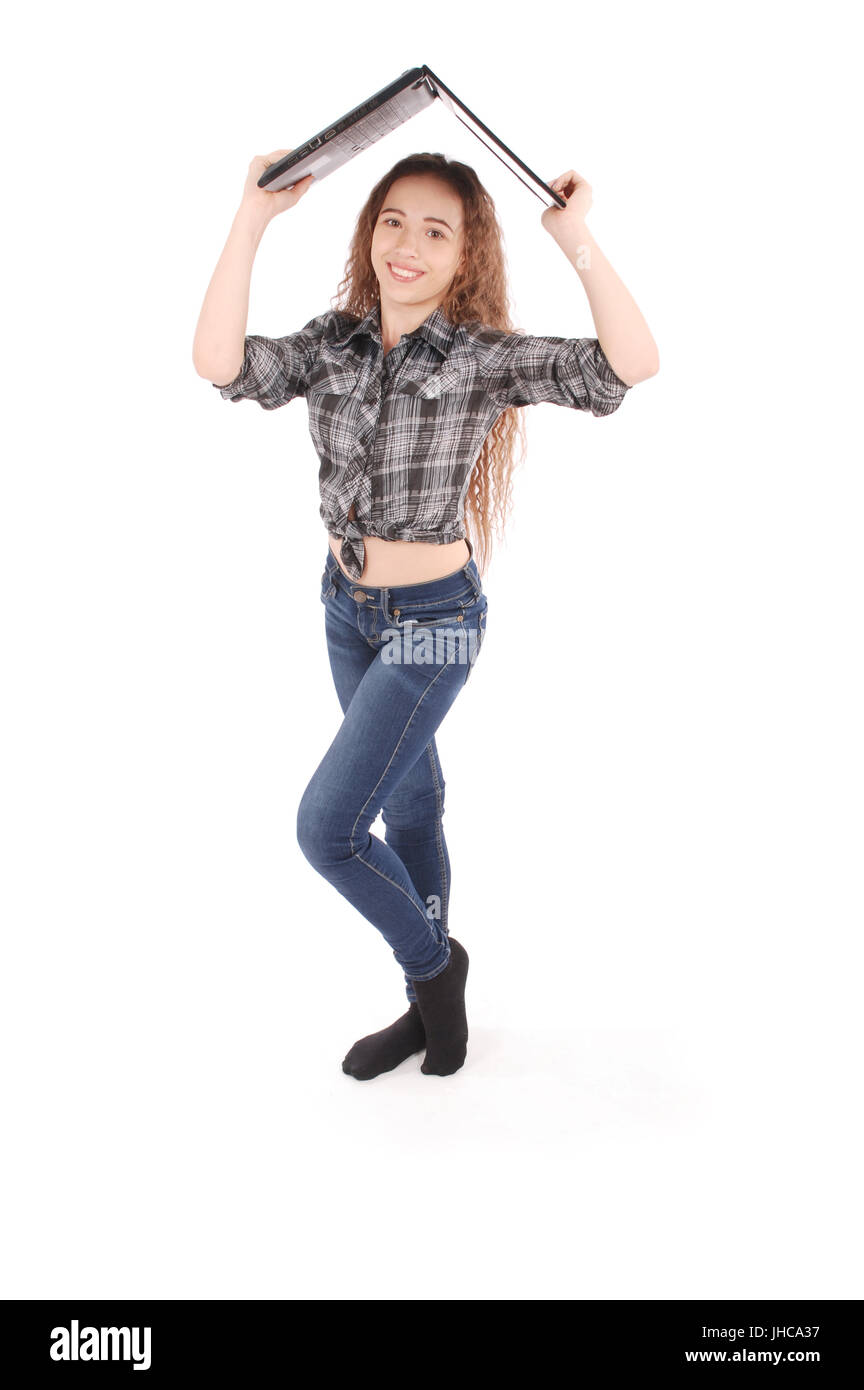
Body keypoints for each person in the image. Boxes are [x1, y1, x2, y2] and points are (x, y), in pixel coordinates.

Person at [192, 148, 659, 1081]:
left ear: (463, 257)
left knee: (326, 829)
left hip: (437, 621)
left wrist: (574, 241)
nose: (406, 244)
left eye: (434, 231)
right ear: (370, 233)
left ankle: (434, 972)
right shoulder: (333, 342)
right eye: (393, 221)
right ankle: (433, 1012)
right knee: (410, 807)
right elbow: (221, 364)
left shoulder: (484, 357)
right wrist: (251, 221)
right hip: (345, 609)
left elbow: (628, 368)